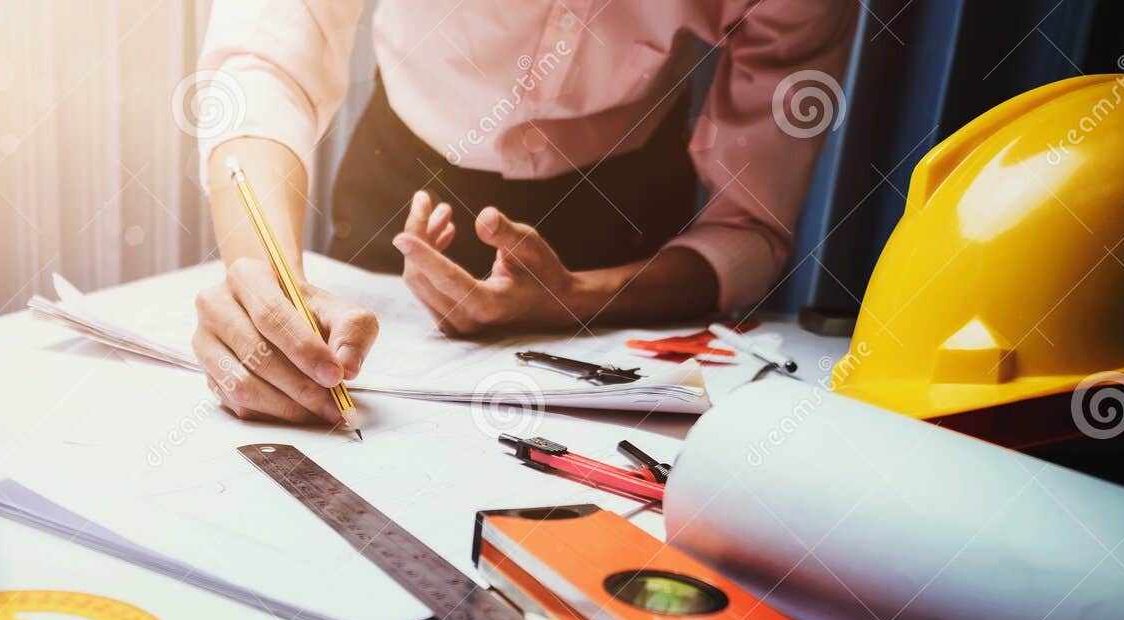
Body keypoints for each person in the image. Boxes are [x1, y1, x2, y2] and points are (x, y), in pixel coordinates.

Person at [190, 1, 856, 424]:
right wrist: (262, 275)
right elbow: (266, 53)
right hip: (401, 176)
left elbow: (748, 228)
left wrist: (580, 297)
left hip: (627, 231)